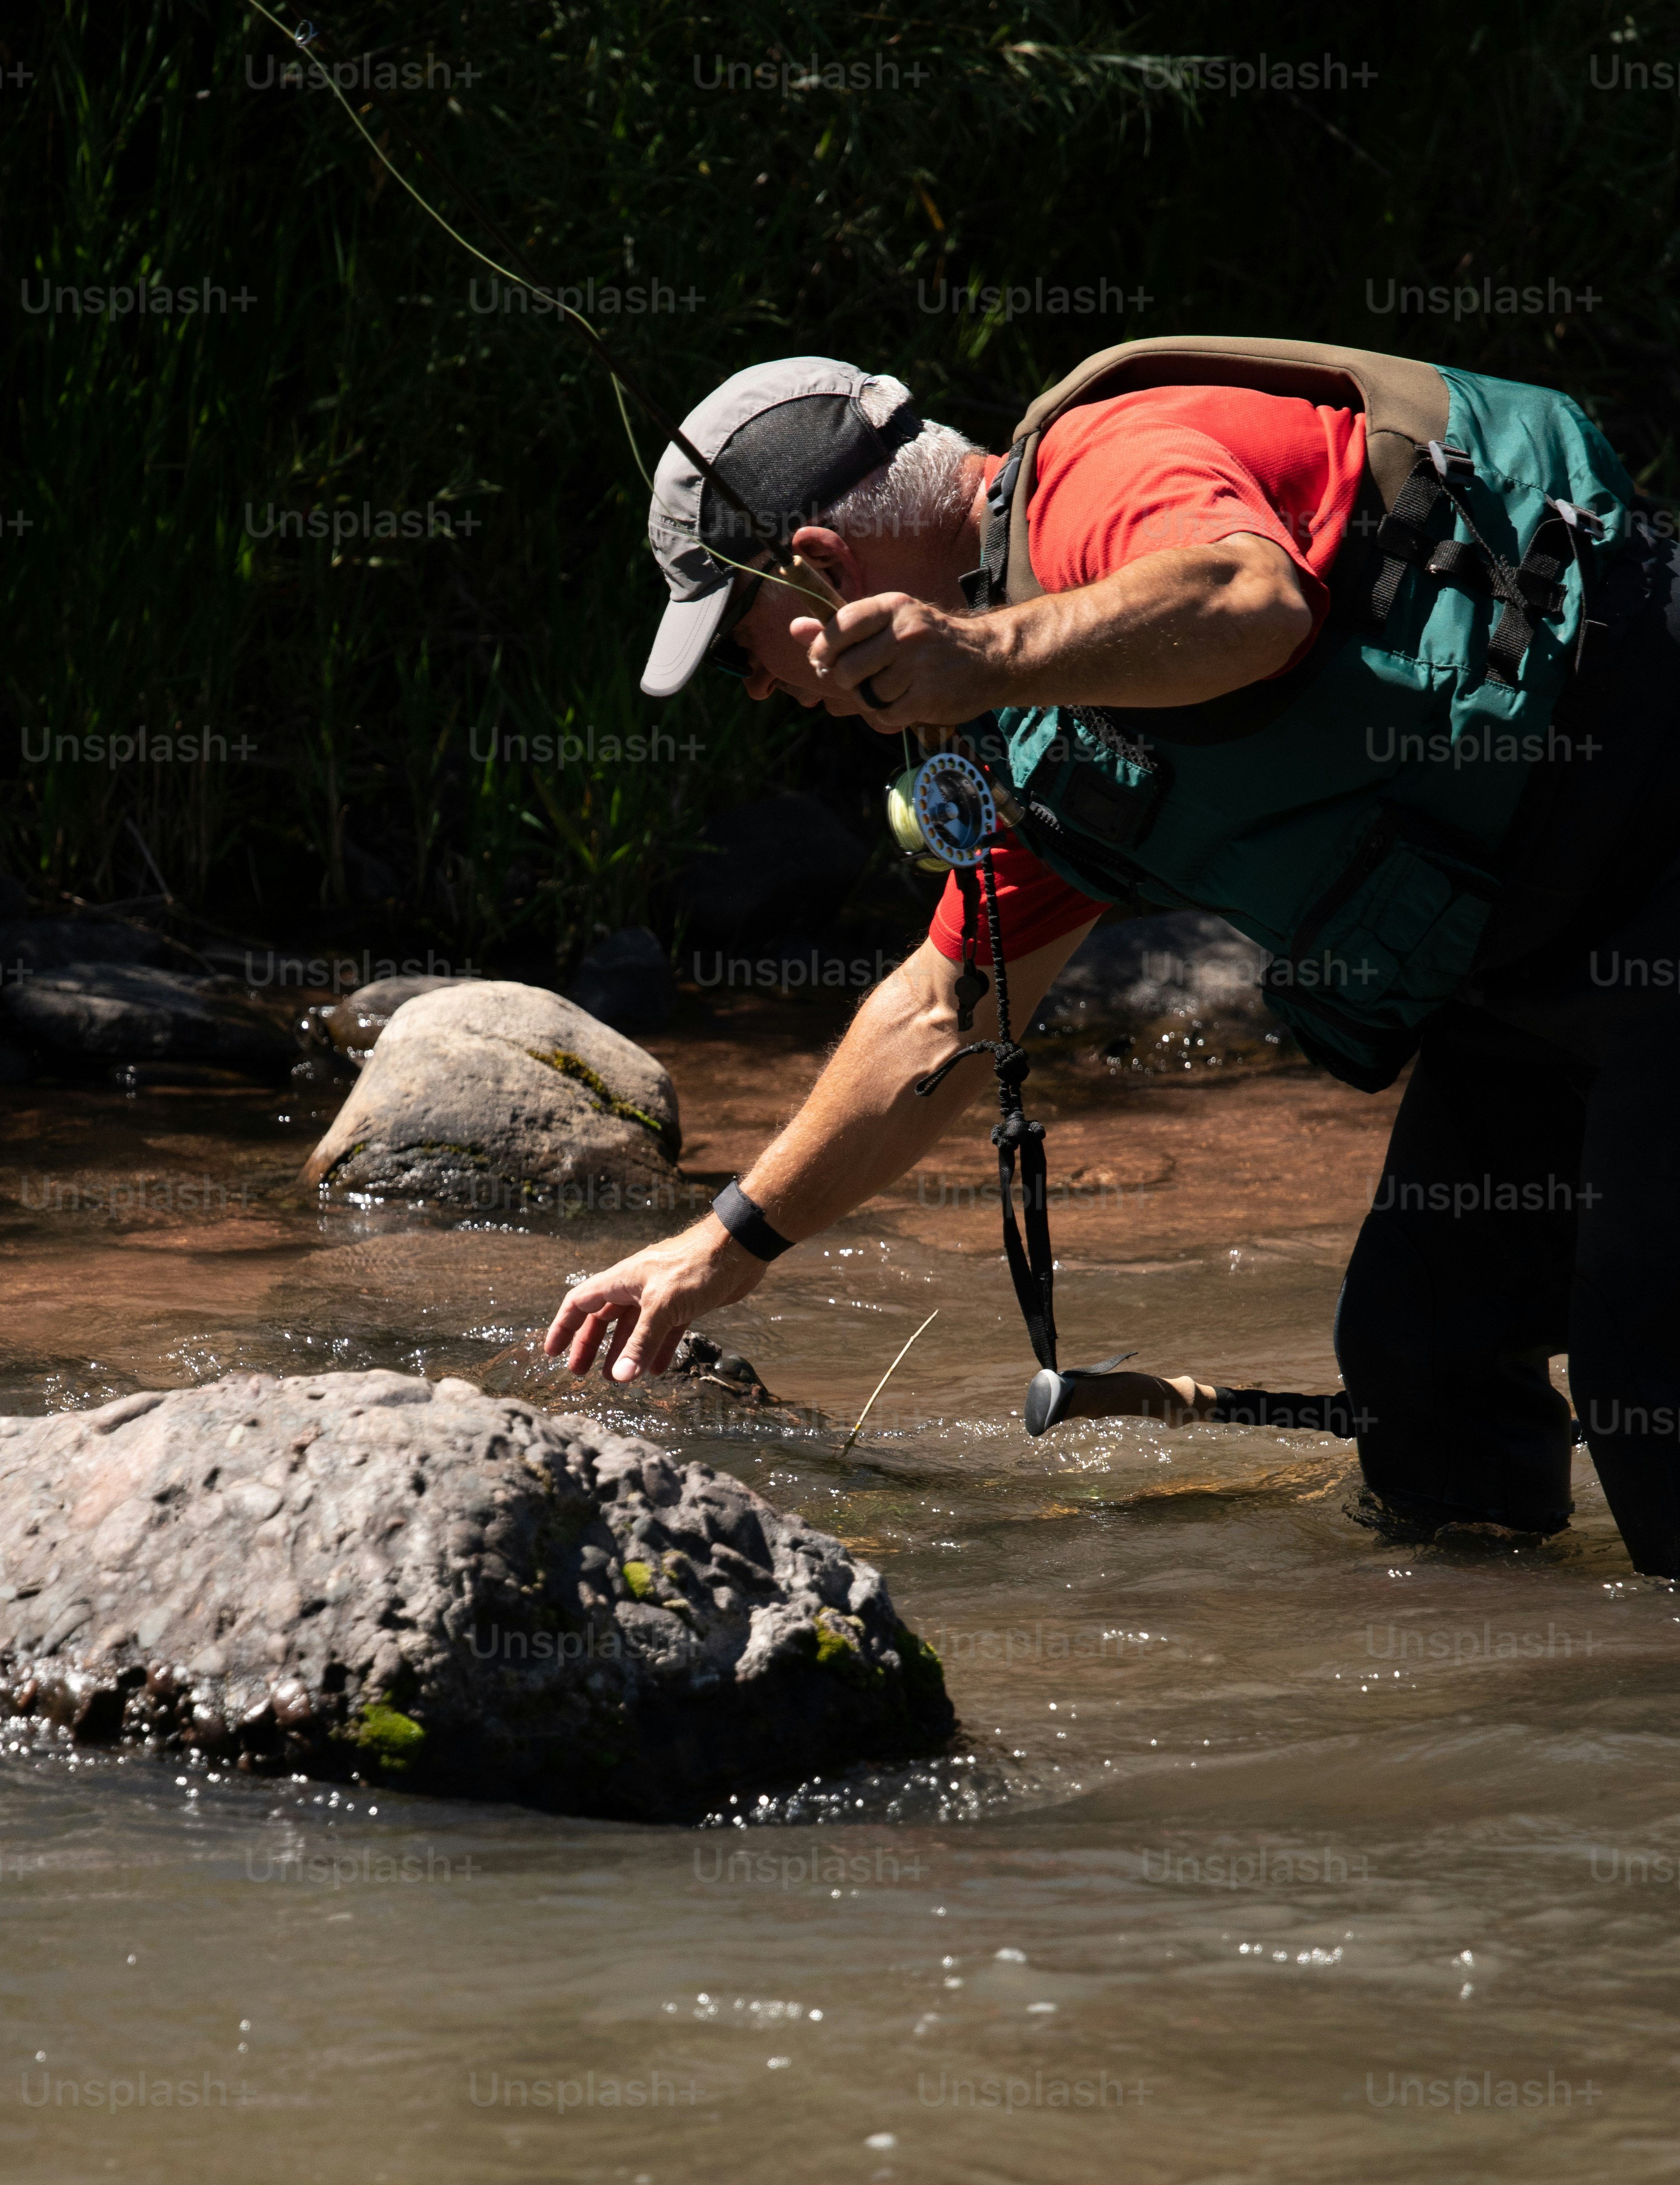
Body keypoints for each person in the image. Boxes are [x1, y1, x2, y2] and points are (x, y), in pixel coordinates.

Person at [542, 344, 1680, 1577]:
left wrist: (987, 655)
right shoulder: (1057, 744)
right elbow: (940, 1011)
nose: (755, 687)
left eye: (736, 644)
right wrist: (718, 1250)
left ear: (818, 567)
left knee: (1646, 1361)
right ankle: (1515, 1710)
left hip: (1656, 858)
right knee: (1423, 1354)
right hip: (1533, 957)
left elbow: (1252, 604)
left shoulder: (1097, 472)